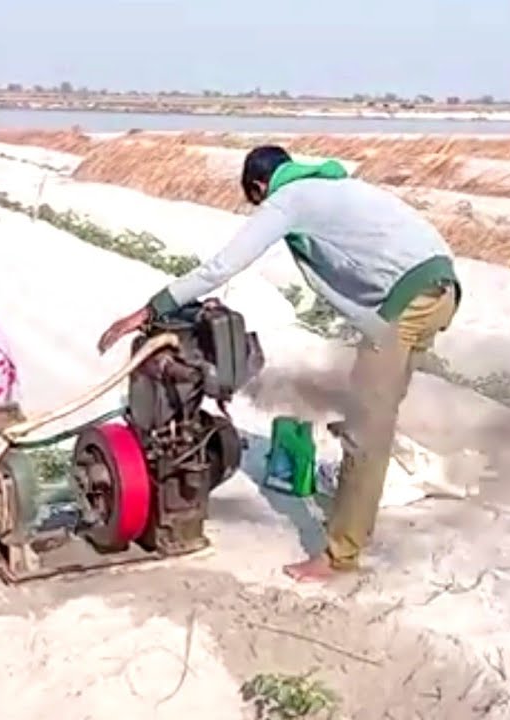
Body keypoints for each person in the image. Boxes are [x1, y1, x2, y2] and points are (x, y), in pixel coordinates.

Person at [96, 145, 461, 582]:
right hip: (442, 288)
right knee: (376, 402)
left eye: (256, 200)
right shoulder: (335, 185)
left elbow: (222, 266)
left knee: (367, 432)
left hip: (409, 301)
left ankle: (339, 556)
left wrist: (151, 310)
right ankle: (361, 482)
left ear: (258, 186)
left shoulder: (290, 197)